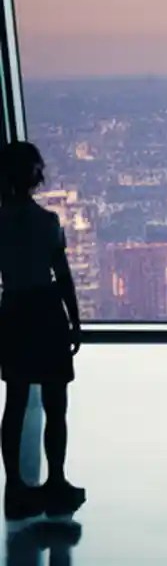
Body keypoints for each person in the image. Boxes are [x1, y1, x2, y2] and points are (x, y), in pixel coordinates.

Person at [0, 141, 86, 519]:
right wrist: (75, 319)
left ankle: (14, 486)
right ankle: (56, 481)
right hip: (46, 312)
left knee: (15, 402)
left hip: (14, 310)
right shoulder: (47, 222)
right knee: (55, 404)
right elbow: (62, 275)